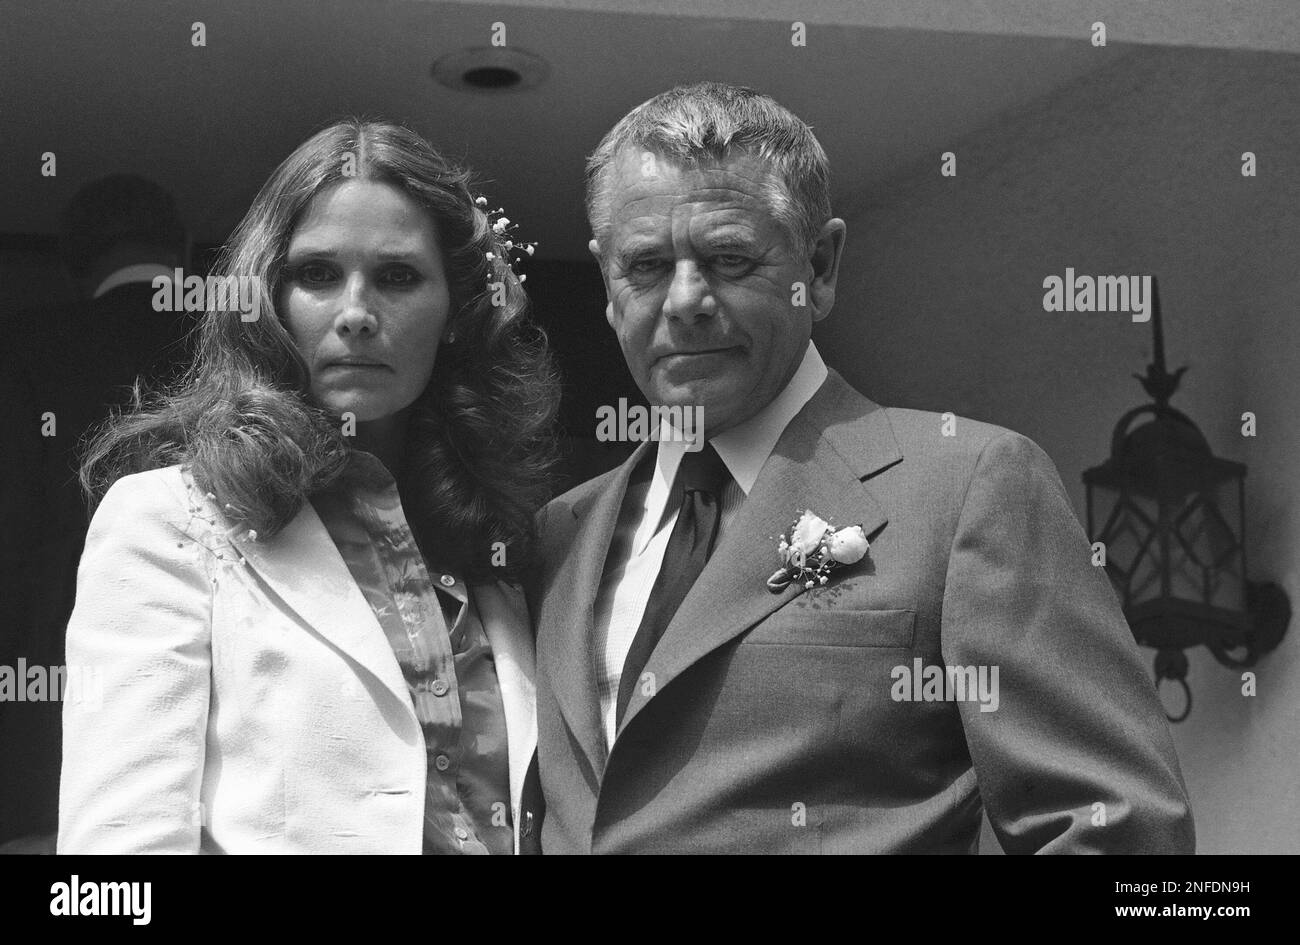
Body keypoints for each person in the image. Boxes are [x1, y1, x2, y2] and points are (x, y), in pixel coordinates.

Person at [528, 82, 1196, 854]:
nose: (685, 300)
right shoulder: (559, 535)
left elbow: (1121, 834)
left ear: (819, 263)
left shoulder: (969, 485)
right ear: (607, 288)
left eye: (729, 257)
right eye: (645, 266)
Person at [57, 119, 558, 854]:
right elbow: (117, 860)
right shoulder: (167, 520)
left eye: (397, 276)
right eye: (318, 274)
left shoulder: (501, 545)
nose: (356, 314)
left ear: (457, 312)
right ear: (269, 299)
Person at [0, 175, 196, 850]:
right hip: (214, 697)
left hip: (48, 707)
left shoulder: (27, 344)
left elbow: (10, 531)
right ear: (183, 255)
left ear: (71, 264)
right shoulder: (232, 341)